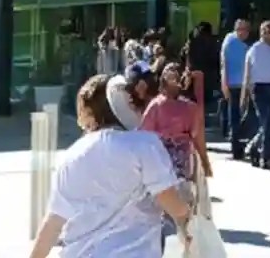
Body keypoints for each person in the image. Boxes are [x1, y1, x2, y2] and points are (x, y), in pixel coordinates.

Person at [28, 74, 193, 258]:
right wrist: (190, 212)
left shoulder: (71, 156)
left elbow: (52, 224)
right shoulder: (144, 144)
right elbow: (172, 204)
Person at [141, 62, 212, 248]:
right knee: (181, 199)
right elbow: (197, 137)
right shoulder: (188, 108)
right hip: (180, 158)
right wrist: (204, 161)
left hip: (164, 158)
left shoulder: (156, 106)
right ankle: (184, 236)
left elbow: (143, 136)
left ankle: (176, 236)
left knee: (166, 200)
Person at [240, 20, 270, 169]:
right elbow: (247, 73)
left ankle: (253, 146)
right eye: (268, 32)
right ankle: (266, 156)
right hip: (258, 88)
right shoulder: (254, 50)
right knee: (266, 121)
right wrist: (244, 94)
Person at [218, 19, 251, 152]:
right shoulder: (230, 42)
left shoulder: (243, 44)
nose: (244, 33)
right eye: (242, 30)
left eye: (246, 30)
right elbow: (224, 64)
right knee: (236, 114)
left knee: (239, 114)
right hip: (234, 84)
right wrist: (224, 83)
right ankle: (235, 141)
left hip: (242, 84)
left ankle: (237, 140)